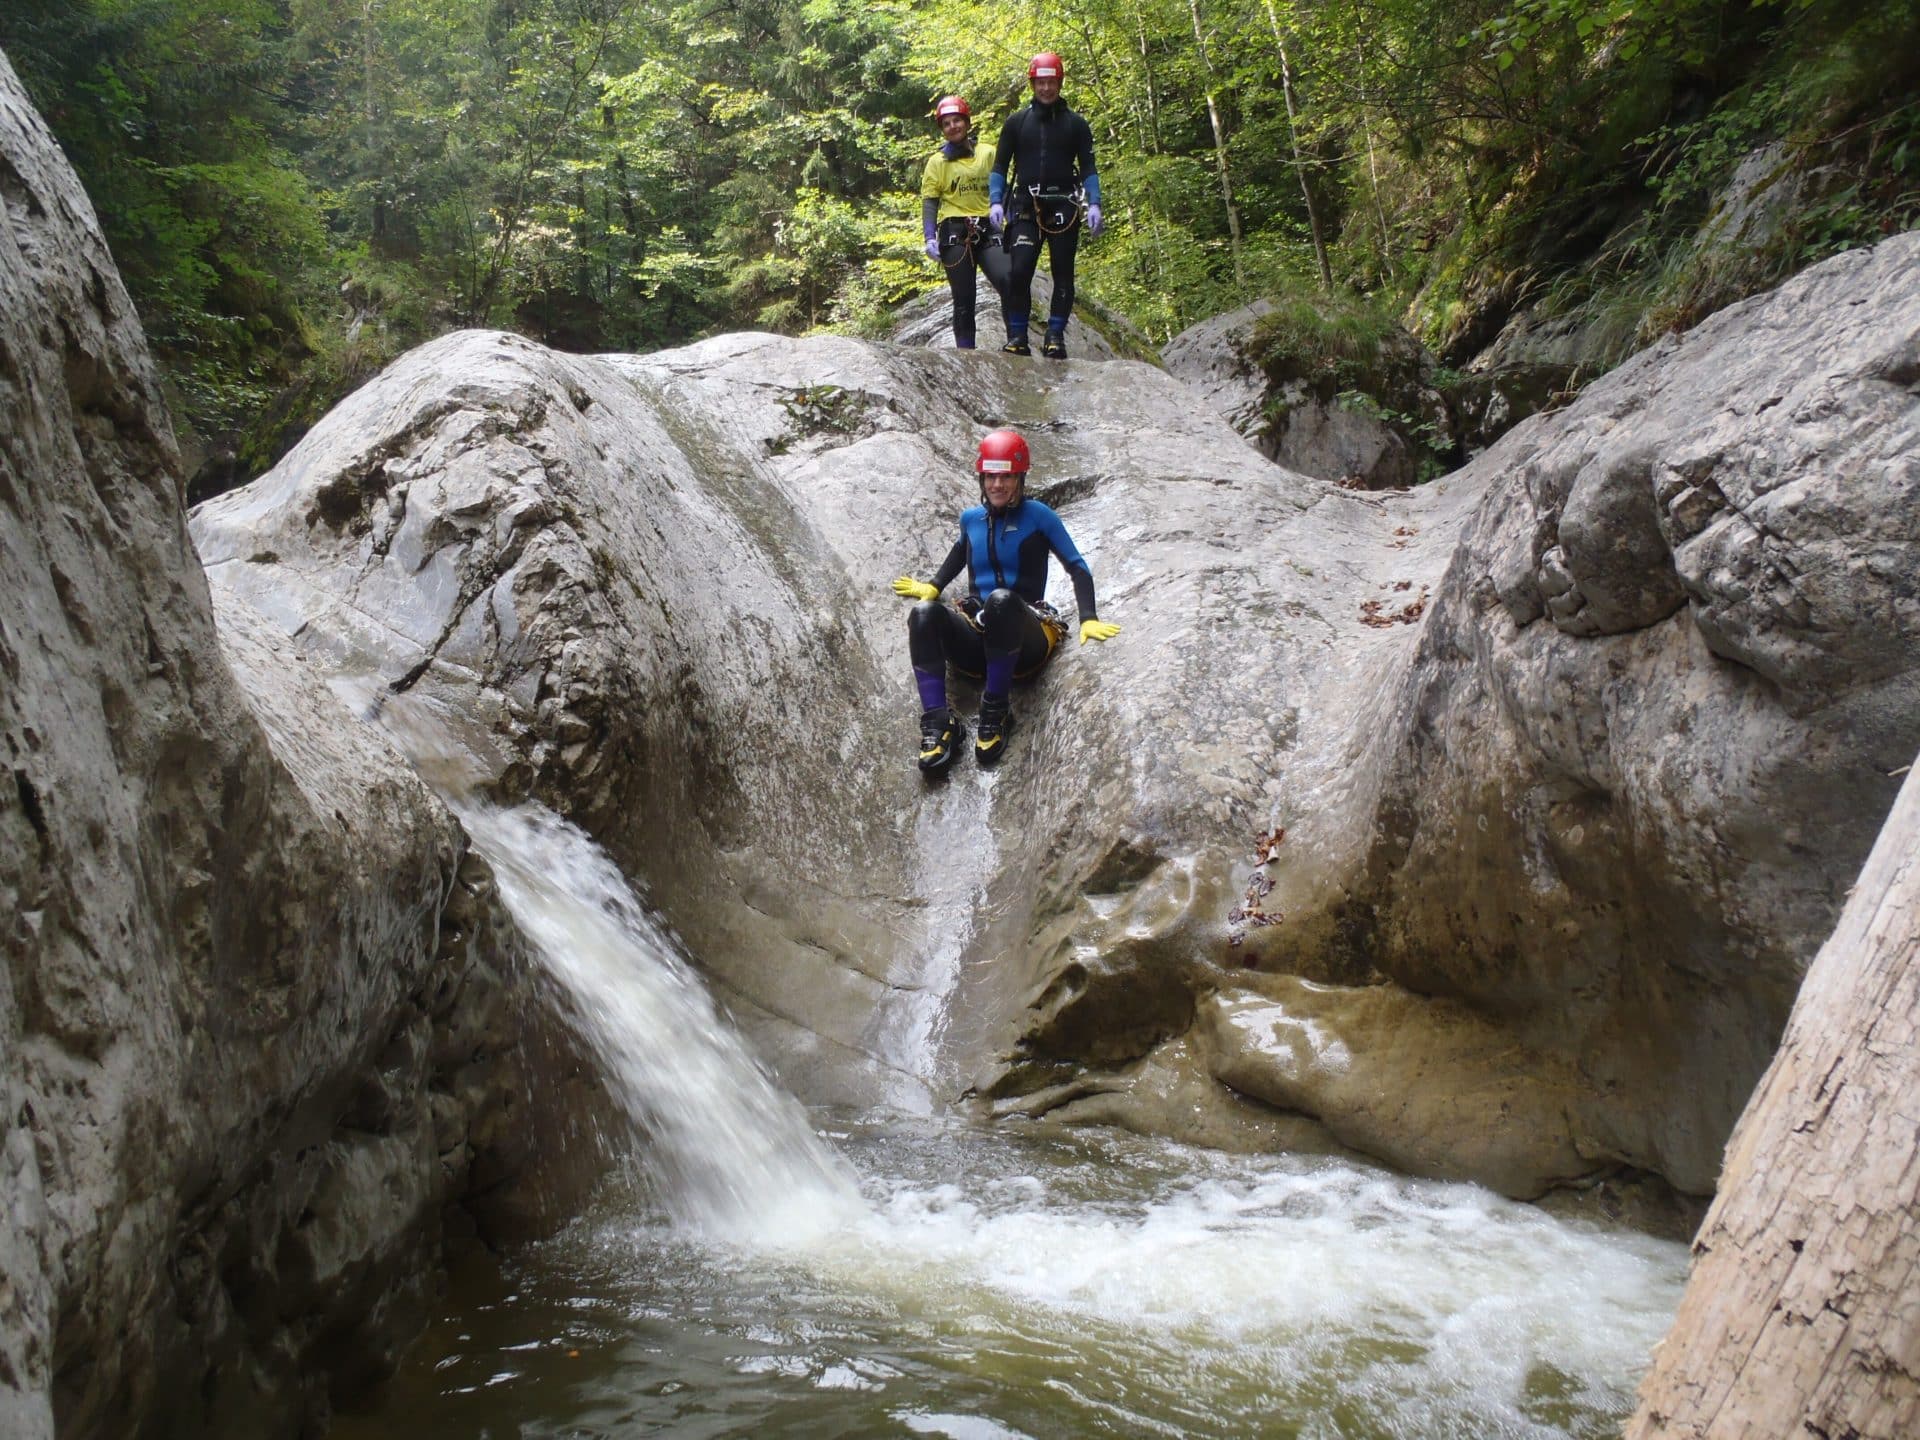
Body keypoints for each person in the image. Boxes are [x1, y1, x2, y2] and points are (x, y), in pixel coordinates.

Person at [891, 428, 1121, 774]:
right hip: (977, 647)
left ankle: (995, 712)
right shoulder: (971, 519)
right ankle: (939, 726)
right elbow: (958, 555)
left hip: (1026, 641)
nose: (997, 485)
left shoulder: (1039, 516)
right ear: (982, 478)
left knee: (1000, 601)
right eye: (991, 477)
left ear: (1020, 478)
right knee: (922, 614)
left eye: (1006, 476)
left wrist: (1088, 616)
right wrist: (933, 587)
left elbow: (1077, 567)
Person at [988, 52, 1103, 359]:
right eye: (1041, 82)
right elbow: (1000, 166)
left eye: (1051, 82)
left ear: (1060, 82)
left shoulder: (1076, 125)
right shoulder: (1016, 123)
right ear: (1032, 84)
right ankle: (1017, 336)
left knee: (1063, 272)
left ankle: (1054, 336)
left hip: (1064, 204)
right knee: (1019, 270)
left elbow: (1089, 167)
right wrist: (996, 202)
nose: (1046, 89)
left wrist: (1095, 204)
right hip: (1026, 203)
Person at [920, 95, 1010, 350]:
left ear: (967, 123)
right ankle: (966, 353)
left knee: (1009, 280)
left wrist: (1008, 216)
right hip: (955, 231)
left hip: (988, 227)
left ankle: (1016, 341)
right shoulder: (937, 162)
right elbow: (930, 202)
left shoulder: (988, 153)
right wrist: (929, 237)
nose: (952, 127)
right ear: (942, 129)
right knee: (963, 296)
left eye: (956, 120)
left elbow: (1004, 189)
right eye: (946, 123)